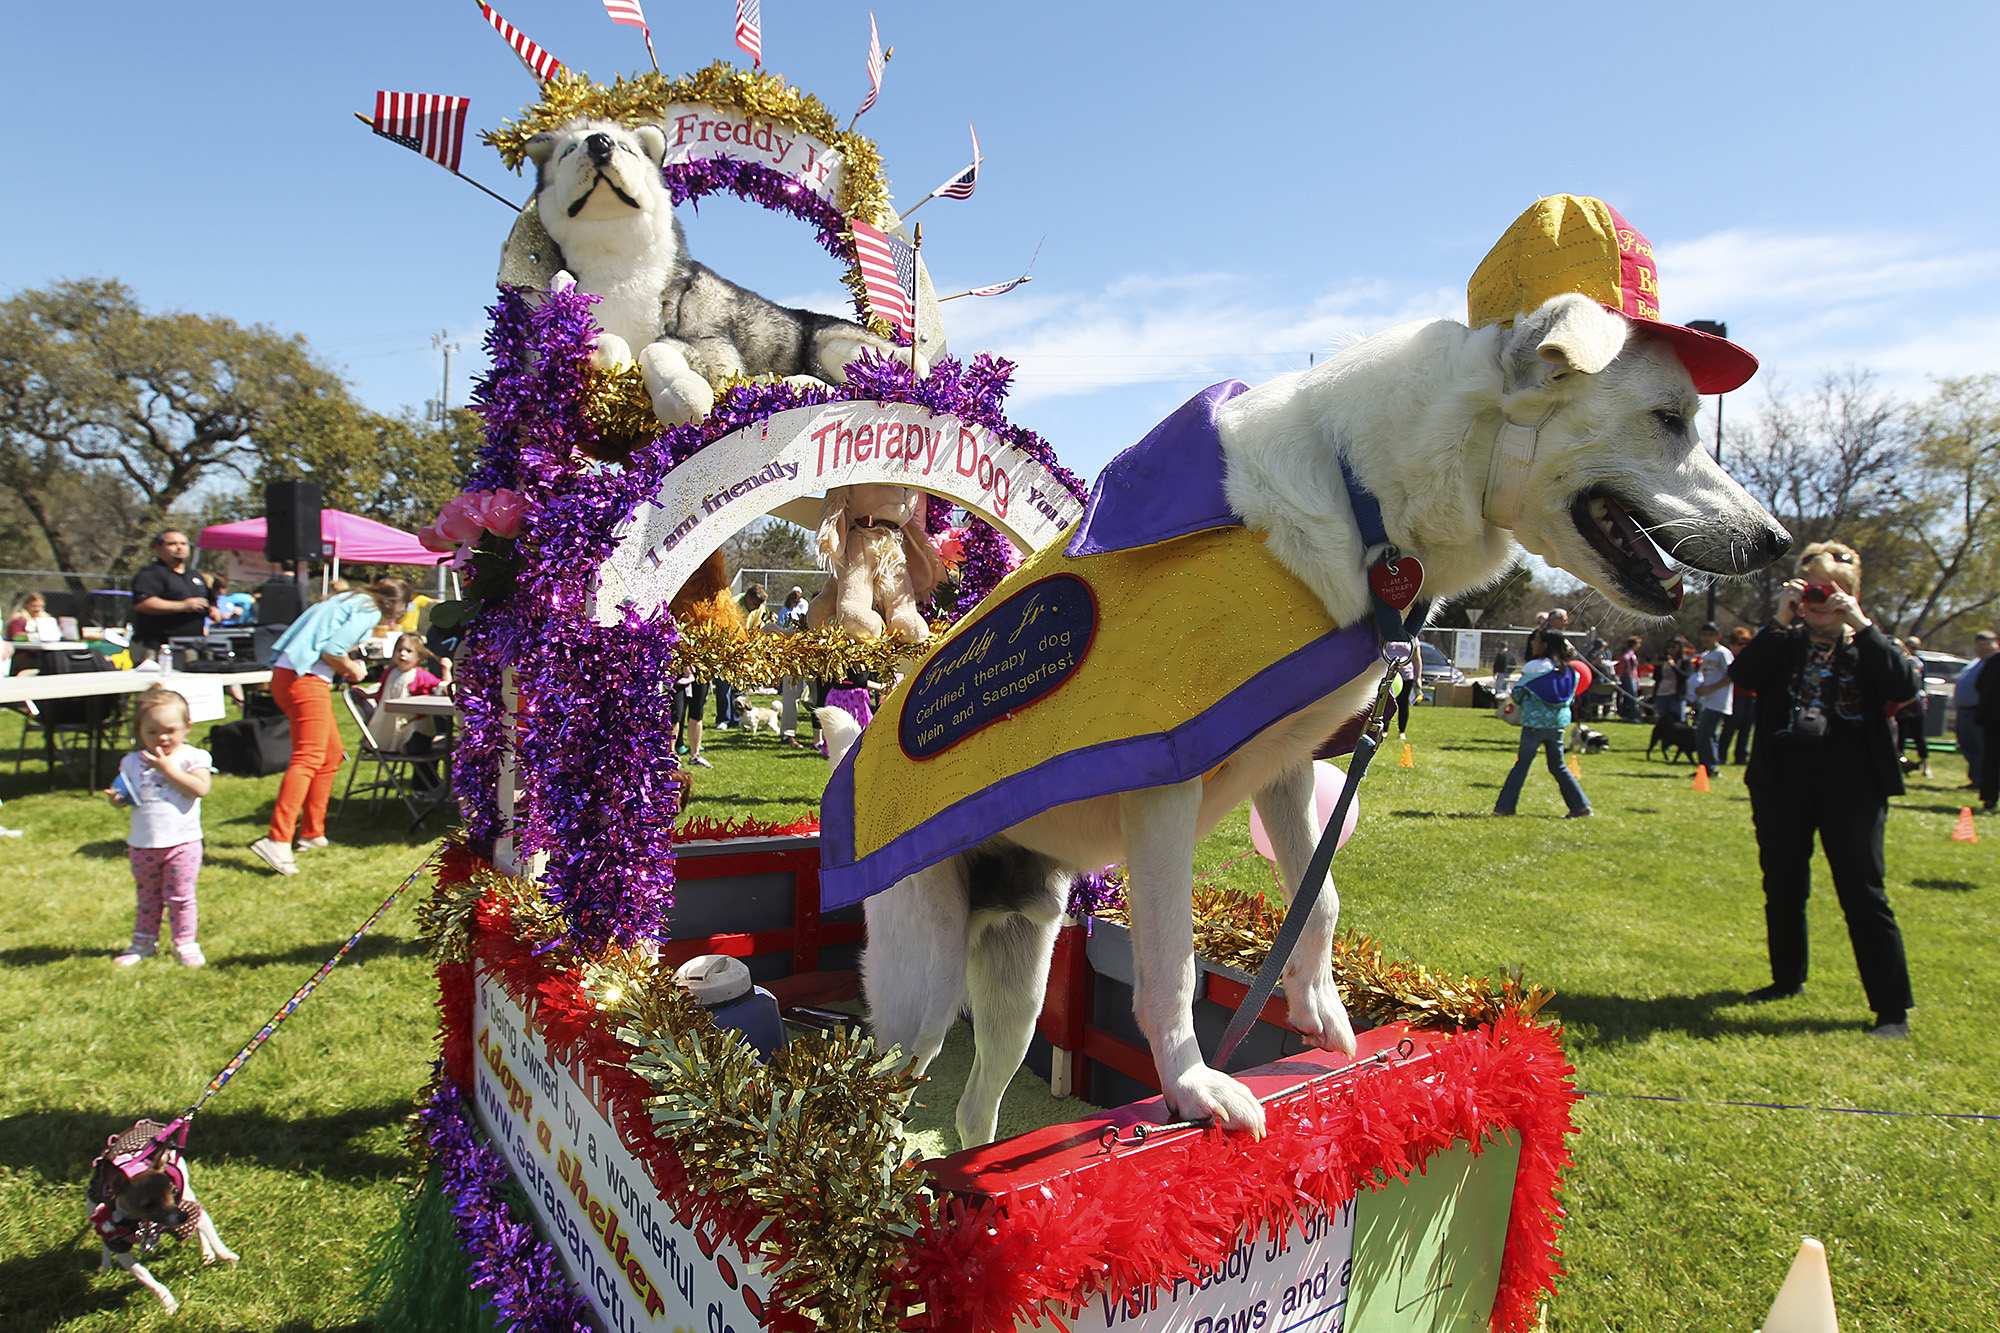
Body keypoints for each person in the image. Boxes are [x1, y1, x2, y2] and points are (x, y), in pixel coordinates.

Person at [1728, 541, 1918, 1038]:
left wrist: (1863, 624)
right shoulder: (1783, 640)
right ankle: (1786, 980)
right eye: (1811, 588)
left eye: (1830, 591)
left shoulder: (1871, 645)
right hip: (1782, 782)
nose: (1818, 599)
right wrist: (1777, 618)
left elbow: (1902, 688)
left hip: (1853, 786)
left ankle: (1891, 1008)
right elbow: (1742, 676)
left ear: (1850, 594)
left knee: (1863, 892)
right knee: (1784, 885)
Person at [250, 578, 410, 875]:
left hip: (290, 675)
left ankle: (312, 831)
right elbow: (332, 650)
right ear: (394, 607)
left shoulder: (350, 598)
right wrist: (353, 670)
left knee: (331, 753)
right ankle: (278, 838)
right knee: (309, 757)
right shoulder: (370, 609)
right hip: (305, 679)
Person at [106, 687, 212, 968]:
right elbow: (129, 793)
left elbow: (200, 788)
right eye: (152, 732)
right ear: (140, 731)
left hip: (183, 842)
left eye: (170, 730)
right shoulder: (131, 761)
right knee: (147, 897)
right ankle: (142, 943)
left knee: (181, 897)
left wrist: (168, 770)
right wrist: (118, 799)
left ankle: (185, 943)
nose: (162, 738)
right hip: (143, 843)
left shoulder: (193, 757)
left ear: (187, 726)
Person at [1493, 631, 1592, 818]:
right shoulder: (1571, 672)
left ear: (1545, 645)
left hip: (1534, 725)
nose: (1533, 644)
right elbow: (1570, 699)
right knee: (1558, 766)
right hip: (1557, 726)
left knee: (1522, 766)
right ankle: (1580, 807)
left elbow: (1519, 694)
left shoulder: (1534, 668)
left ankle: (1504, 807)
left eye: (1536, 641)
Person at [128, 531, 211, 661]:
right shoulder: (151, 574)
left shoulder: (195, 576)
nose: (179, 547)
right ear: (158, 548)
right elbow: (142, 604)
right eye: (172, 544)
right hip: (158, 647)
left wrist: (213, 610)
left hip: (192, 646)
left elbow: (208, 601)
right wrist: (183, 606)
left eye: (183, 544)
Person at [1691, 623, 1735, 770]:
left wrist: (1710, 689)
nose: (1707, 638)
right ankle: (1707, 766)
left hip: (1718, 700)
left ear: (1718, 636)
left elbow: (1731, 676)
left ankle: (1710, 766)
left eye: (1711, 635)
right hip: (1707, 699)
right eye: (1704, 635)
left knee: (1704, 732)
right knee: (1707, 733)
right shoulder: (1706, 655)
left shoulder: (1723, 653)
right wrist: (1700, 689)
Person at [1954, 631, 1994, 789]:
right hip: (1964, 711)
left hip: (1980, 712)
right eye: (1979, 644)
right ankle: (1975, 778)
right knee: (1967, 746)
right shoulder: (1974, 663)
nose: (1982, 648)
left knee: (1981, 747)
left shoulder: (1994, 664)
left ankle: (1981, 781)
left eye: (1986, 644)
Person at [1891, 638, 1931, 779]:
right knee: (1899, 738)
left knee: (1918, 737)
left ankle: (1926, 767)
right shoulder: (1893, 662)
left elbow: (1914, 688)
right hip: (1899, 705)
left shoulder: (1912, 662)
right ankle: (1899, 766)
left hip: (1914, 704)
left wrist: (1900, 705)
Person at [1653, 639, 1689, 724]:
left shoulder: (1685, 662)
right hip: (1662, 693)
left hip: (1676, 695)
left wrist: (1674, 666)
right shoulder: (1663, 661)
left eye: (1673, 647)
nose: (1670, 649)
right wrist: (1657, 666)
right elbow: (1656, 678)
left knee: (1678, 720)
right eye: (1668, 647)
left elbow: (1684, 676)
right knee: (1663, 721)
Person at [1616, 635, 1642, 722]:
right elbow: (1626, 658)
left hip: (1632, 678)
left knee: (1630, 697)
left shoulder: (1633, 653)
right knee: (1631, 697)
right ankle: (1633, 716)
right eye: (1638, 644)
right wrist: (1628, 669)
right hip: (1628, 678)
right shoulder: (1629, 652)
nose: (1639, 646)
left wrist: (1636, 676)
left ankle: (1627, 715)